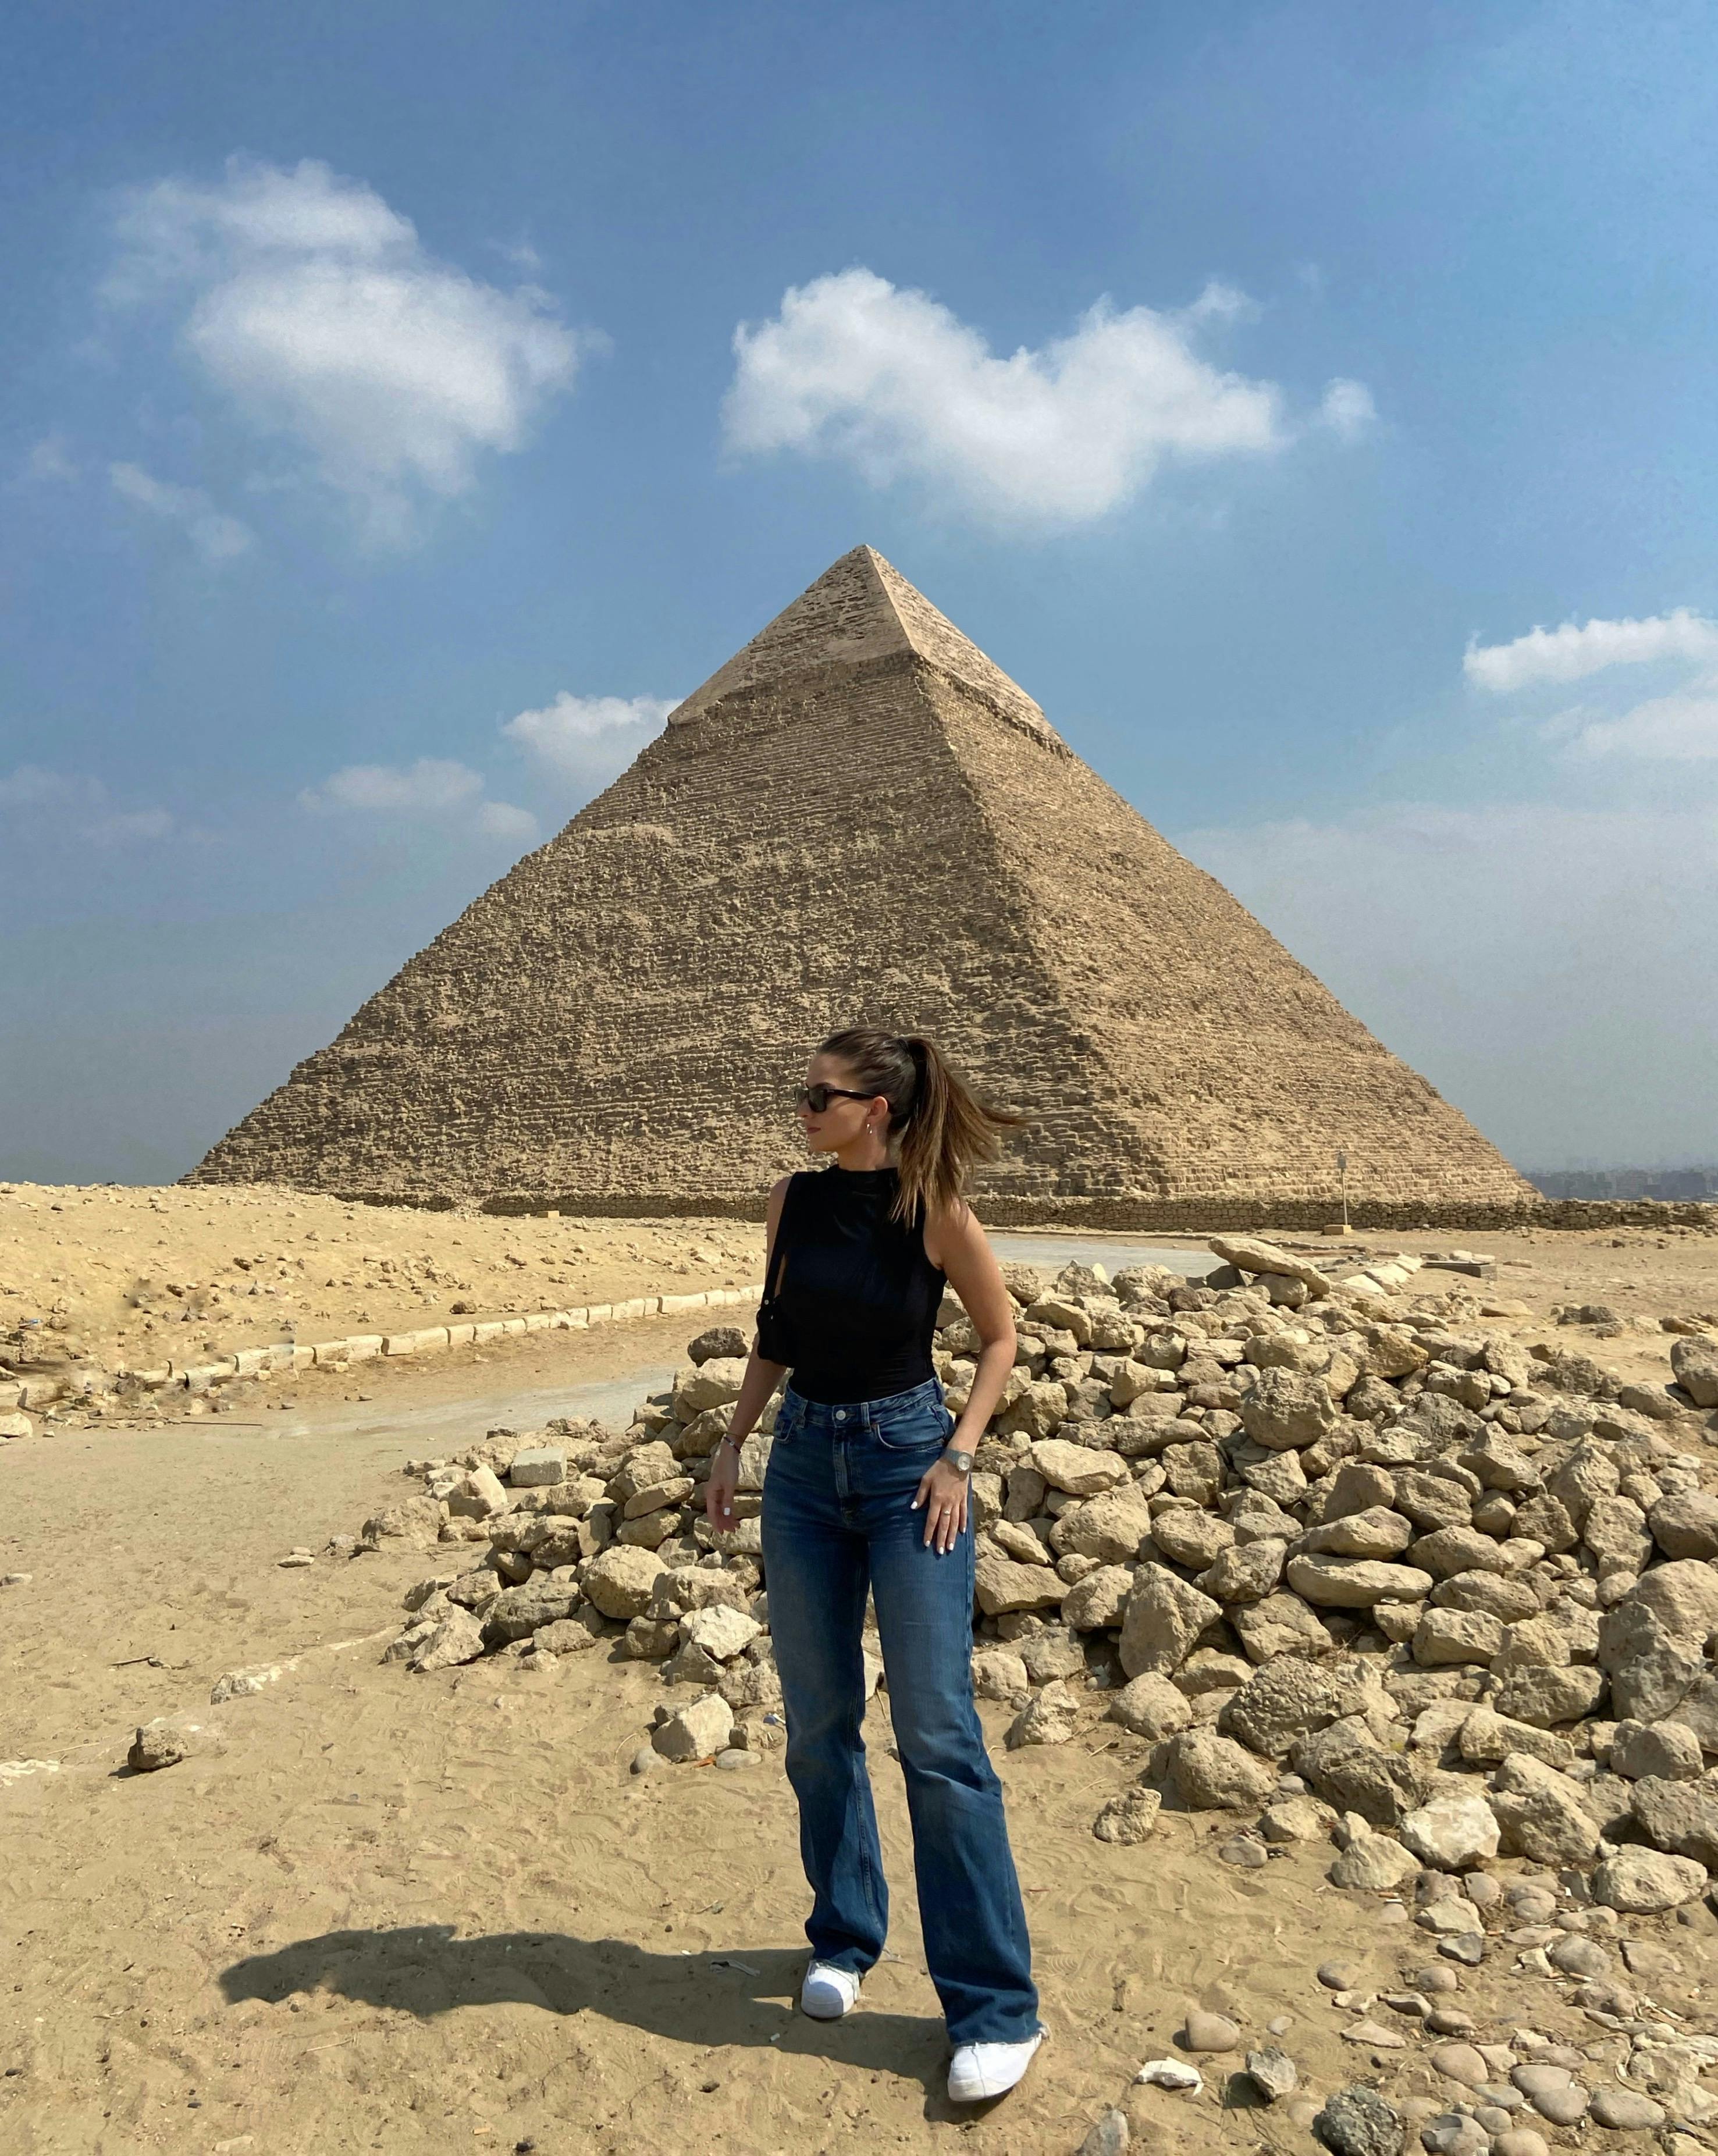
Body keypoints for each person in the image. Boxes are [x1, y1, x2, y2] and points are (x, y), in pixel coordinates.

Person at [704, 1027, 1043, 2105]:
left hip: (909, 1469)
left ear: (879, 1107)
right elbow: (774, 1330)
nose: (801, 1108)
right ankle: (845, 1941)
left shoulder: (934, 1208)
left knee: (938, 1734)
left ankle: (994, 2008)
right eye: (801, 1091)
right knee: (815, 1721)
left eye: (819, 1094)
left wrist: (958, 1456)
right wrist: (732, 1440)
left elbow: (1001, 1335)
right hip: (805, 1464)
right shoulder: (791, 1200)